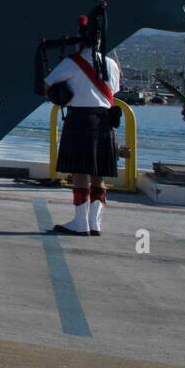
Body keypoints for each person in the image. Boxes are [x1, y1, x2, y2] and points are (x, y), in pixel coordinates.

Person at [45, 23, 121, 237]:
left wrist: (65, 91)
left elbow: (47, 85)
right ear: (99, 41)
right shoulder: (112, 64)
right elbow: (114, 90)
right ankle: (95, 224)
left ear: (80, 41)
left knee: (80, 172)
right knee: (98, 173)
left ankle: (80, 223)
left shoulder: (72, 62)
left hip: (80, 118)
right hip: (105, 119)